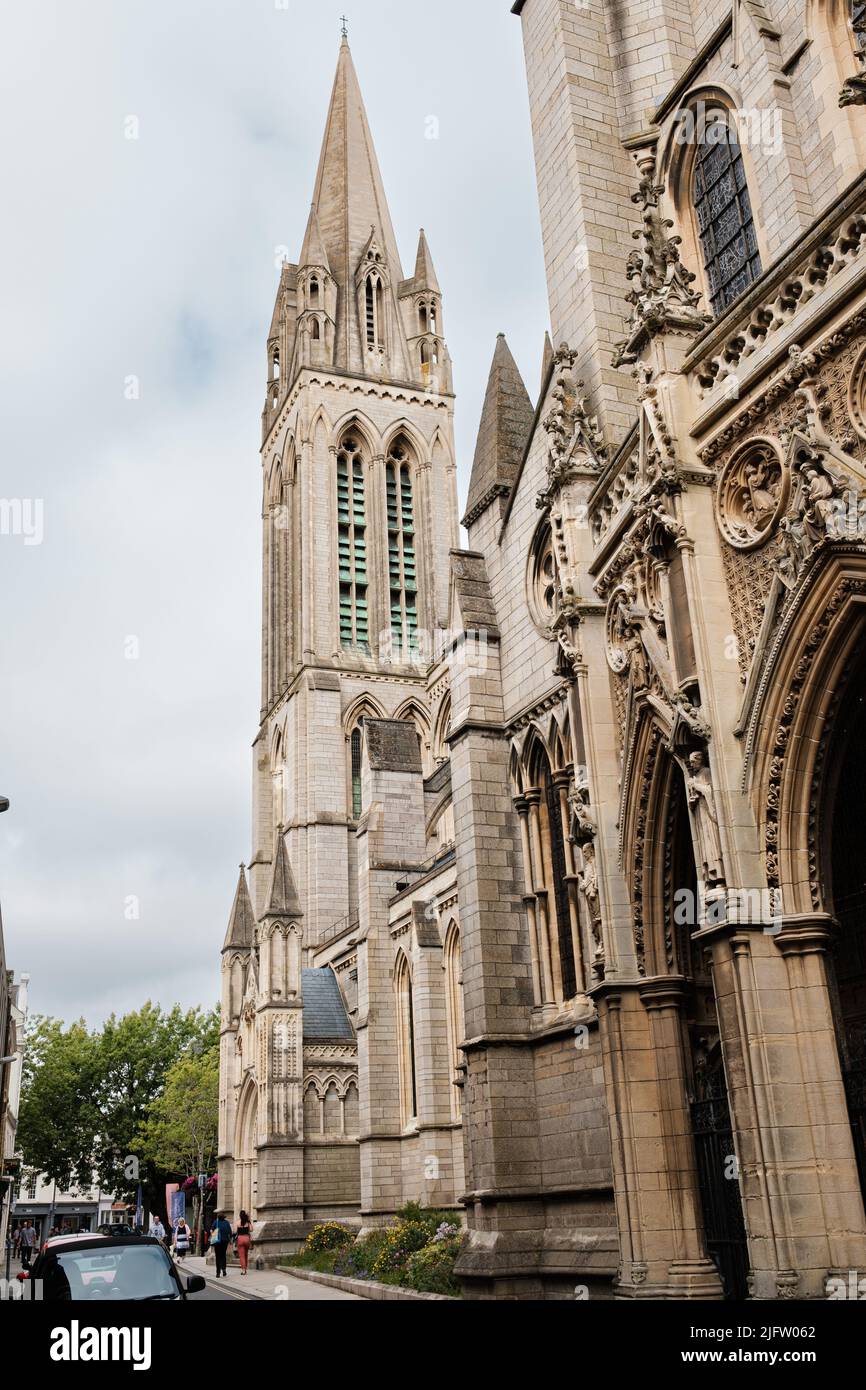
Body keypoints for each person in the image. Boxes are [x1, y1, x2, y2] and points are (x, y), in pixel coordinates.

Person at [209, 1211, 233, 1278]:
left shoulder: (216, 1222)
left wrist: (212, 1234)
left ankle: (218, 1273)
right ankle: (224, 1270)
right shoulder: (226, 1222)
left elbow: (211, 1230)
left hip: (217, 1241)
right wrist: (230, 1240)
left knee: (218, 1256)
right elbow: (230, 1233)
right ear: (224, 1217)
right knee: (223, 1255)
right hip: (225, 1241)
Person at [234, 1211, 253, 1275]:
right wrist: (249, 1221)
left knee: (241, 1256)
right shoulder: (247, 1222)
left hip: (240, 1239)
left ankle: (243, 1270)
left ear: (240, 1216)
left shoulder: (237, 1222)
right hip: (247, 1238)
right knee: (246, 1254)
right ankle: (246, 1267)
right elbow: (251, 1230)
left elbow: (235, 1231)